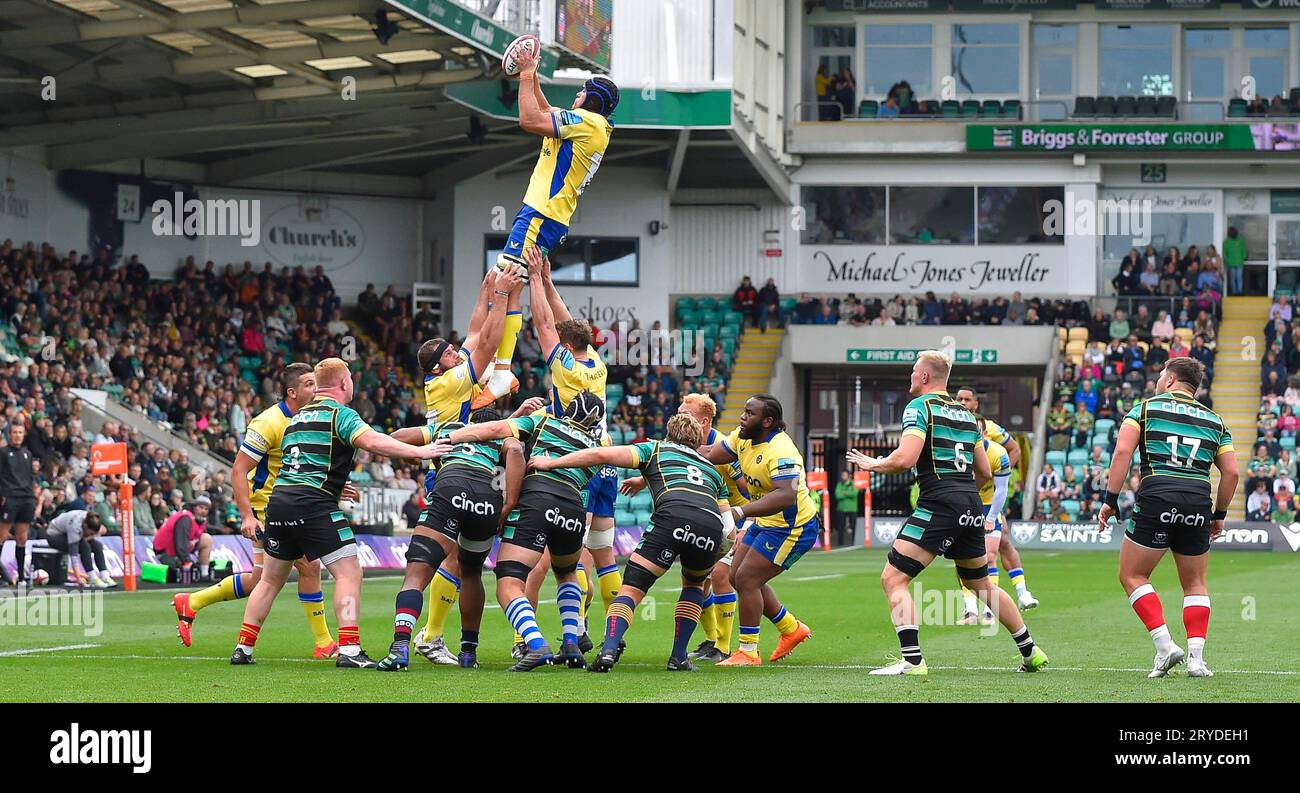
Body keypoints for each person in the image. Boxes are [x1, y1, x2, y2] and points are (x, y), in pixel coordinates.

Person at [229, 358, 449, 668]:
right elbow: (372, 441)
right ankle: (349, 650)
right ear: (344, 384)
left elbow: (302, 462)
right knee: (348, 572)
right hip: (313, 504)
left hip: (280, 502)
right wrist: (421, 452)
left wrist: (336, 483)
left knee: (269, 580)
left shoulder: (296, 417)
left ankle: (244, 648)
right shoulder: (341, 415)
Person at [848, 351, 1048, 675]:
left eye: (914, 371)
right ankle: (1030, 651)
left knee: (893, 579)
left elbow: (906, 458)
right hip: (971, 502)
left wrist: (875, 463)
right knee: (983, 585)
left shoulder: (919, 408)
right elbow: (984, 472)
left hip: (939, 503)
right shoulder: (967, 416)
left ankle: (913, 661)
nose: (911, 376)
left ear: (925, 377)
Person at [531, 413, 732, 672]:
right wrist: (712, 556)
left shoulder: (655, 449)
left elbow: (601, 455)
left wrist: (553, 463)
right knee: (693, 586)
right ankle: (679, 657)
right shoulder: (712, 471)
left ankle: (608, 650)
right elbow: (729, 532)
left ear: (669, 433)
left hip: (672, 517)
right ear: (697, 441)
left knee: (632, 591)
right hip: (710, 526)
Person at [172, 364, 340, 658]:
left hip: (287, 505)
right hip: (268, 509)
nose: (316, 390)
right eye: (310, 384)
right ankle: (322, 642)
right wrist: (247, 515)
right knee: (305, 567)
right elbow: (238, 471)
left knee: (263, 579)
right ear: (292, 392)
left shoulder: (306, 419)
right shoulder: (267, 422)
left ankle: (193, 602)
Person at [482, 43, 616, 405]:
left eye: (583, 90)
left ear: (593, 101)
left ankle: (501, 369)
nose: (577, 93)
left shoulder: (590, 123)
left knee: (502, 282)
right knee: (504, 283)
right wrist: (533, 74)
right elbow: (543, 108)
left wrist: (525, 74)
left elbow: (529, 119)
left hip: (541, 214)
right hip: (547, 216)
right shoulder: (591, 124)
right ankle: (500, 368)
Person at [408, 267, 521, 665]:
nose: (458, 350)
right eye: (451, 353)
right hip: (453, 471)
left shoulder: (451, 376)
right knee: (457, 560)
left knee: (462, 561)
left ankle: (435, 635)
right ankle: (432, 636)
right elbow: (488, 342)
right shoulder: (450, 382)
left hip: (466, 464)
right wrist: (504, 297)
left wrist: (486, 287)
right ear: (440, 367)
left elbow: (475, 329)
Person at [1098, 357, 1237, 678]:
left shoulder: (1145, 409)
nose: (1159, 381)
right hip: (1198, 499)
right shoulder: (1216, 421)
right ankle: (1197, 660)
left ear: (1171, 380)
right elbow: (1231, 472)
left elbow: (1121, 453)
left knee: (1132, 575)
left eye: (1162, 376)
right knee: (1195, 583)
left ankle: (1164, 646)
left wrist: (1110, 500)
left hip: (1158, 493)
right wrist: (1219, 515)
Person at [448, 390, 606, 671]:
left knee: (509, 582)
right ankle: (571, 641)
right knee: (567, 572)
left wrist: (452, 437)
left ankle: (535, 644)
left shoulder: (544, 422)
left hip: (535, 502)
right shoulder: (596, 447)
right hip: (573, 509)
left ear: (569, 410)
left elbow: (499, 430)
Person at [375, 402, 535, 672]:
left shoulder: (451, 428)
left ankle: (400, 646)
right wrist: (508, 504)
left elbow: (395, 437)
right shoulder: (504, 437)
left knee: (417, 573)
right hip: (486, 502)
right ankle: (468, 653)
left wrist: (425, 453)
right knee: (471, 572)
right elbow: (517, 450)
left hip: (451, 488)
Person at [699, 395, 819, 666]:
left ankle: (748, 651)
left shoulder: (781, 449)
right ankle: (790, 628)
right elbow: (710, 453)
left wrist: (742, 511)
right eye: (743, 411)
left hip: (792, 526)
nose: (743, 417)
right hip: (767, 521)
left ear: (767, 421)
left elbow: (786, 495)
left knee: (748, 579)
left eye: (749, 413)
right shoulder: (742, 437)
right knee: (734, 576)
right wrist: (674, 450)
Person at [0, 423, 36, 586]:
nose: (17, 435)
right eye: (14, 432)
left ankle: (21, 577)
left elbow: (29, 476)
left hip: (26, 498)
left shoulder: (27, 454)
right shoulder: (3, 453)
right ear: (10, 434)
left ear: (24, 435)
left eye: (20, 432)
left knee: (22, 538)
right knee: (2, 536)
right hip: (10, 498)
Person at [44, 511, 114, 588]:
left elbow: (104, 530)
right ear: (86, 526)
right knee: (84, 546)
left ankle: (105, 575)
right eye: (90, 533)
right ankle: (92, 577)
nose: (91, 535)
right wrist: (78, 578)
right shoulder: (75, 527)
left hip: (67, 532)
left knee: (98, 546)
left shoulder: (91, 518)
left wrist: (90, 536)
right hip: (54, 536)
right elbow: (73, 555)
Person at [153, 495, 214, 577]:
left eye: (206, 509)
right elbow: (180, 542)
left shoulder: (202, 520)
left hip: (179, 547)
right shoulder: (185, 518)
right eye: (201, 507)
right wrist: (187, 561)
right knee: (176, 574)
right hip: (165, 551)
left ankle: (204, 574)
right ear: (195, 507)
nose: (203, 511)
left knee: (207, 539)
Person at [833, 470, 859, 547]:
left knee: (853, 526)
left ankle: (855, 542)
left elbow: (854, 494)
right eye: (842, 475)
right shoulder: (839, 484)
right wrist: (848, 493)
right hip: (841, 508)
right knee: (841, 526)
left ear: (848, 476)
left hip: (852, 508)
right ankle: (840, 543)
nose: (843, 476)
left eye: (845, 475)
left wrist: (844, 492)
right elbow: (837, 495)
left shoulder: (854, 484)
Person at [1223, 226, 1246, 295]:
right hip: (1231, 263)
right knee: (1233, 278)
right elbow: (1225, 253)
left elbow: (1244, 251)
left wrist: (1243, 258)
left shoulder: (1241, 241)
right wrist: (1227, 261)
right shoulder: (1226, 242)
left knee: (1238, 278)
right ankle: (1234, 292)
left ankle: (1239, 291)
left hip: (1239, 263)